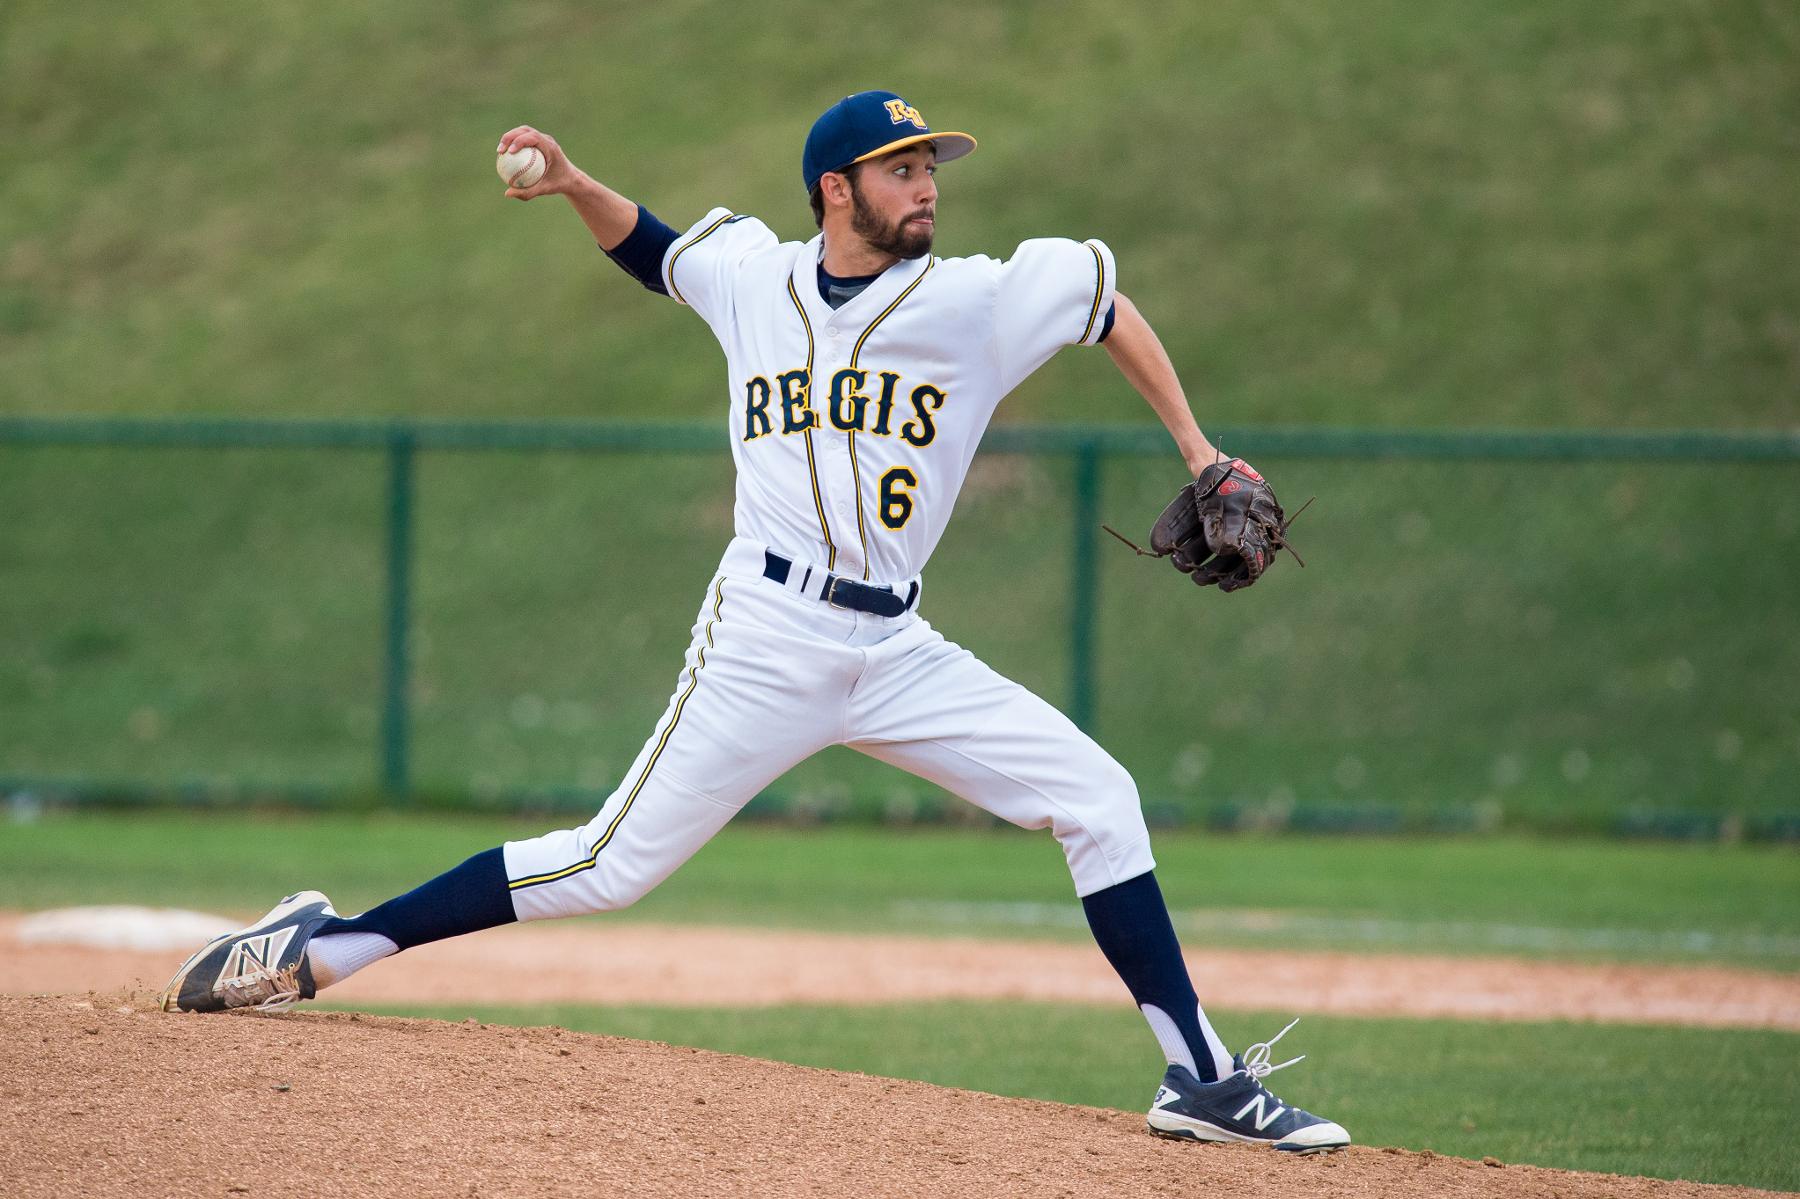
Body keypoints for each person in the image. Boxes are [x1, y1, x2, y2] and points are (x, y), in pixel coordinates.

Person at [160, 90, 1347, 1154]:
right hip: (765, 636)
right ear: (838, 189)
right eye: (901, 167)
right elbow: (660, 252)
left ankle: (1200, 1076)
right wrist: (577, 186)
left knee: (1097, 797)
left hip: (897, 650)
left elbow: (1105, 302)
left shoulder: (976, 300)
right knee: (605, 863)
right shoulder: (757, 275)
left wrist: (1200, 448)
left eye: (932, 165)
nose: (927, 184)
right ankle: (322, 948)